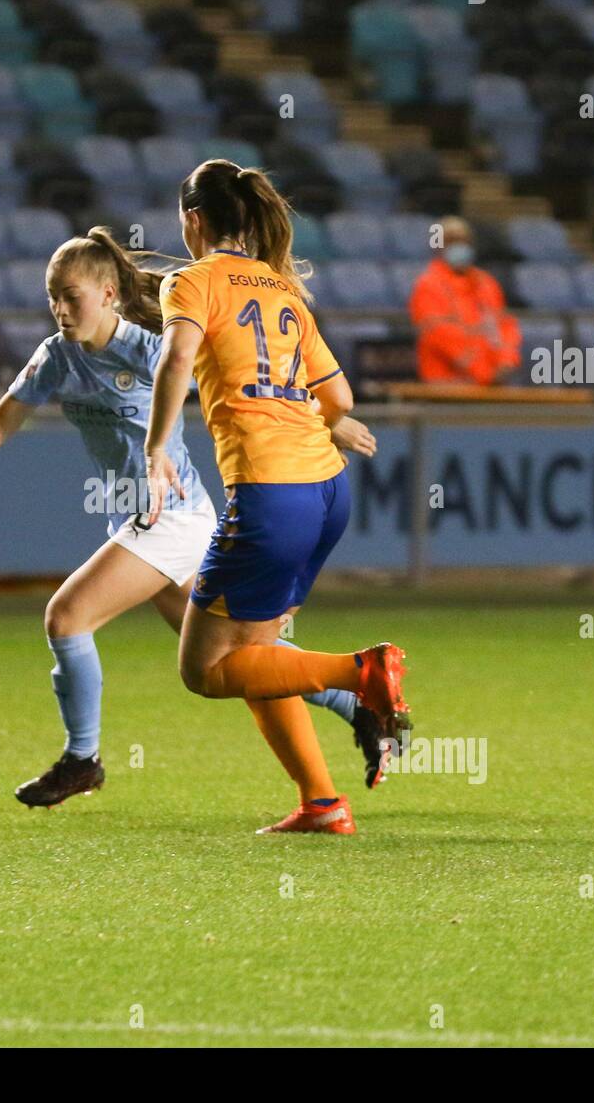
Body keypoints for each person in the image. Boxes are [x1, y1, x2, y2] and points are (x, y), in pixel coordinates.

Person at [0, 227, 385, 807]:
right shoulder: (57, 356)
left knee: (66, 618)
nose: (60, 308)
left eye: (71, 295)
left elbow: (247, 381)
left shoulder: (150, 351)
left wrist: (328, 418)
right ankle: (355, 698)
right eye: (52, 295)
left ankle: (82, 759)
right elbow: (4, 420)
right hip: (148, 520)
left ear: (109, 294)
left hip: (172, 517)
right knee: (239, 657)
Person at [144, 160, 413, 836]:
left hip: (269, 493)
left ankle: (363, 673)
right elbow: (340, 399)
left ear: (193, 221)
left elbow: (177, 358)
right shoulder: (284, 289)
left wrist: (155, 447)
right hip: (326, 492)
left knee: (204, 668)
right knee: (254, 653)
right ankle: (323, 803)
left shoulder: (193, 280)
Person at [408, 215, 521, 386]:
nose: (459, 246)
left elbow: (503, 326)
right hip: (446, 383)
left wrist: (505, 362)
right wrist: (484, 371)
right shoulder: (428, 285)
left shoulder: (487, 283)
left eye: (463, 241)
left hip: (492, 383)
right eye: (452, 241)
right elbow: (438, 333)